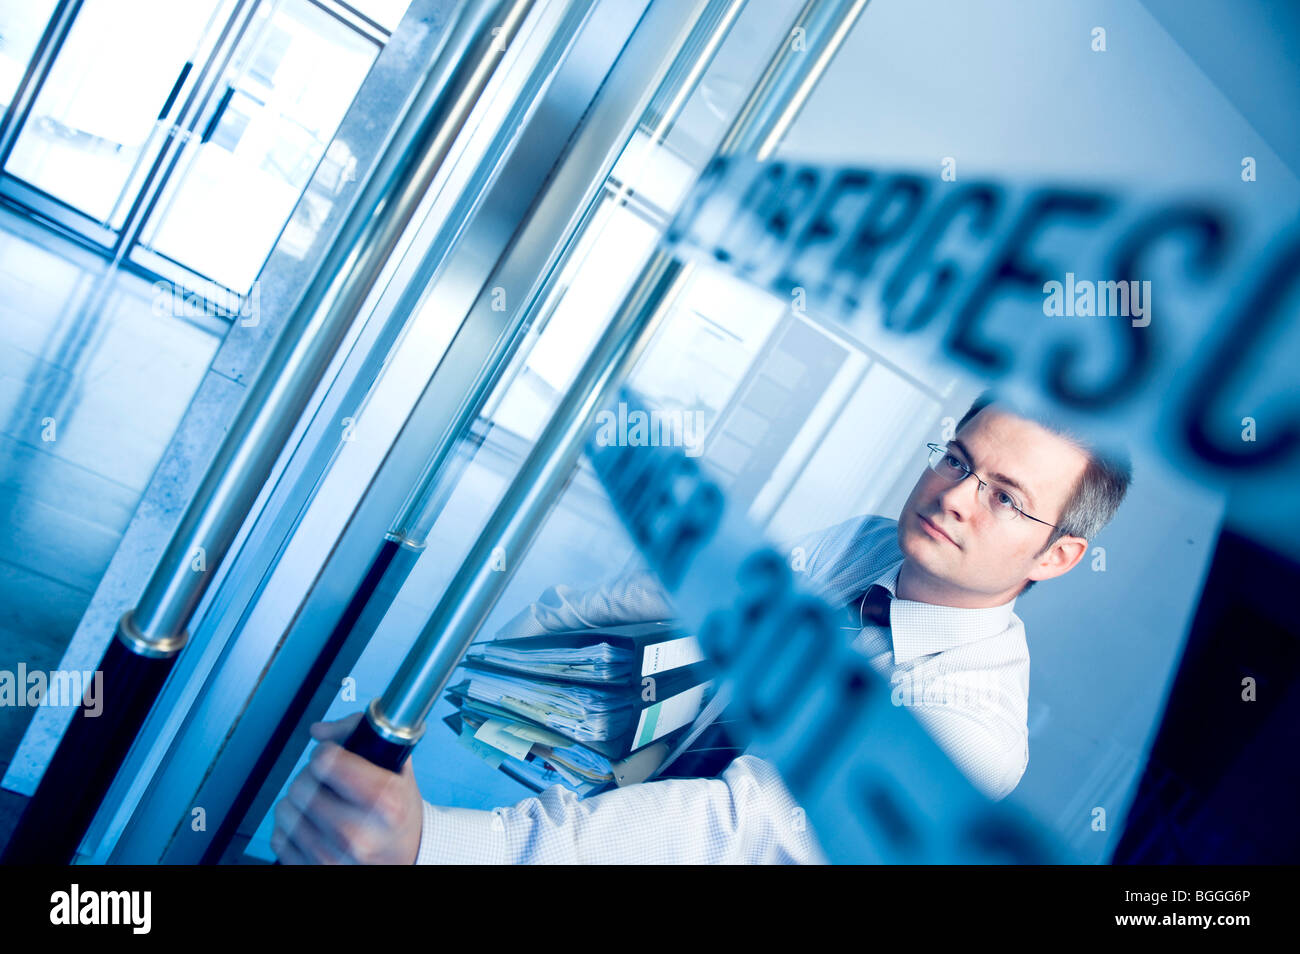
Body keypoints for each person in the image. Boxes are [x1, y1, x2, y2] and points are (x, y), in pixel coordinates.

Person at [270, 391, 1131, 864]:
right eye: (957, 459)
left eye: (1005, 496)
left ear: (1056, 557)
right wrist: (474, 660)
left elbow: (733, 829)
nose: (953, 496)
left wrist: (443, 847)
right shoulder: (868, 544)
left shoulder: (974, 734)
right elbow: (679, 599)